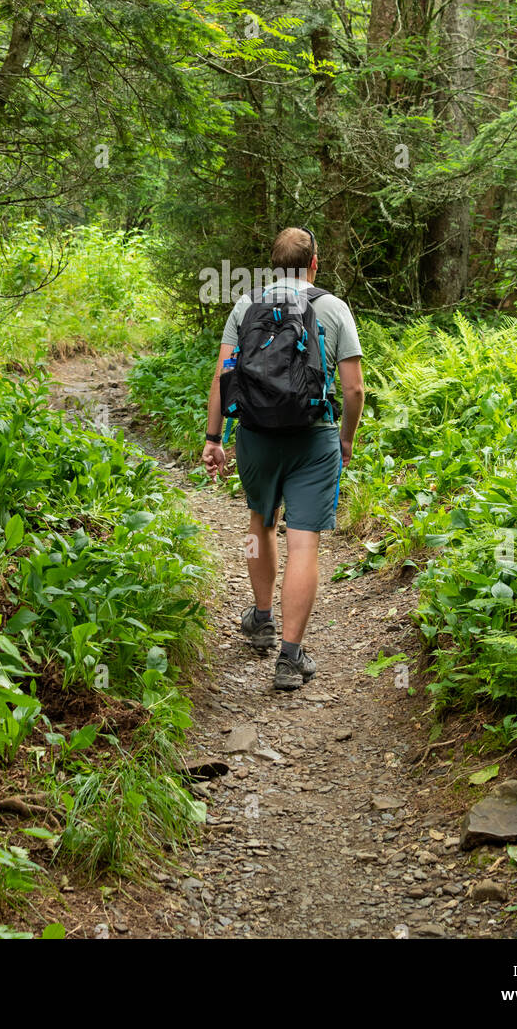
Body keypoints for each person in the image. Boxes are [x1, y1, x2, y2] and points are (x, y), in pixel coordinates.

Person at [202, 226, 364, 690]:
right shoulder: (332, 307)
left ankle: (262, 619)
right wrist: (346, 440)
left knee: (260, 521)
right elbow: (353, 389)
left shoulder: (245, 306)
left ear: (273, 266)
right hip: (314, 439)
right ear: (314, 264)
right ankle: (291, 659)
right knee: (305, 539)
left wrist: (214, 438)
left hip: (255, 437)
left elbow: (222, 378)